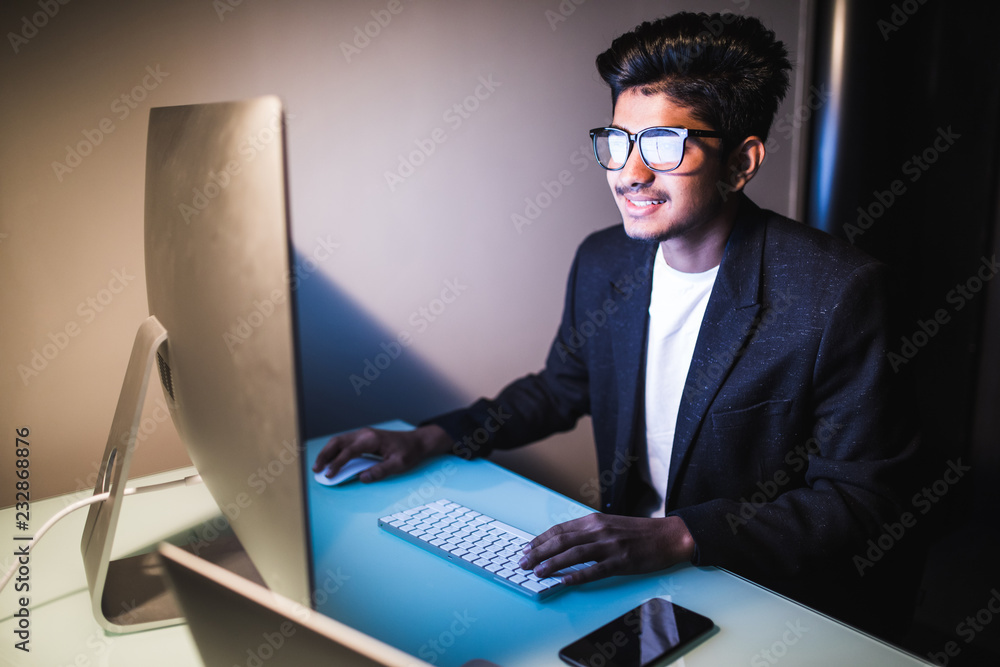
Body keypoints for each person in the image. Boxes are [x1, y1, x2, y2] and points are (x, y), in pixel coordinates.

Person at [314, 12, 918, 636]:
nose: (629, 172)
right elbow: (560, 388)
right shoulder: (603, 260)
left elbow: (861, 497)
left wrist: (681, 535)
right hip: (629, 583)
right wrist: (433, 436)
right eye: (619, 141)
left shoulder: (837, 292)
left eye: (664, 145)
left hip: (756, 597)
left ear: (740, 163)